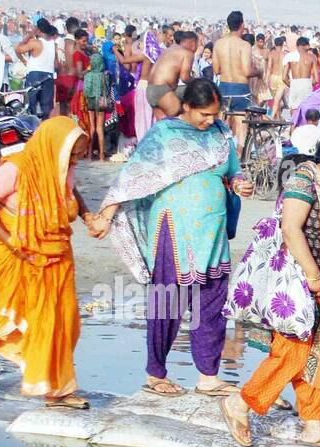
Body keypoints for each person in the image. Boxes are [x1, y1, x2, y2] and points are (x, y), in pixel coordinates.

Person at [95, 80, 253, 398]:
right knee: (168, 302)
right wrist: (107, 216)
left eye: (214, 114)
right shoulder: (164, 135)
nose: (209, 120)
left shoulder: (221, 133)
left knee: (212, 301)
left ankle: (208, 376)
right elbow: (133, 176)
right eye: (204, 114)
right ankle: (156, 374)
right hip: (175, 230)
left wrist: (239, 184)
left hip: (213, 230)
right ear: (188, 107)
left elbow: (233, 171)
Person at [221, 130, 320, 447]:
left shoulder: (318, 183)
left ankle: (313, 425)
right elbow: (290, 227)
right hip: (298, 284)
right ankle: (239, 404)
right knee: (292, 354)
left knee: (313, 353)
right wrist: (313, 275)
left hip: (317, 283)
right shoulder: (303, 180)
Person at [0, 117, 99, 408]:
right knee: (16, 313)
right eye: (73, 154)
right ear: (53, 147)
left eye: (79, 155)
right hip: (18, 253)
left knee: (63, 319)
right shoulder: (17, 168)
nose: (76, 160)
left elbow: (70, 191)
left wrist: (88, 215)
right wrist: (12, 241)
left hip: (56, 253)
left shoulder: (63, 167)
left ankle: (57, 389)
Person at [211, 11, 260, 146]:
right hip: (240, 88)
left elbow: (216, 70)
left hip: (224, 87)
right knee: (240, 122)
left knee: (222, 120)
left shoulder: (218, 44)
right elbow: (246, 71)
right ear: (242, 25)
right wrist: (259, 72)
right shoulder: (244, 45)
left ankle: (222, 150)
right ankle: (239, 154)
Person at [146, 30, 197, 121]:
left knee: (162, 124)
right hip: (163, 90)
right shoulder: (187, 53)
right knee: (179, 119)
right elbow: (185, 78)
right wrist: (196, 80)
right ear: (192, 43)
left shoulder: (169, 49)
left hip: (150, 89)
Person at [16, 18, 57, 120]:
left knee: (31, 106)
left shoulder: (35, 43)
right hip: (49, 76)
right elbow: (56, 64)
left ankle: (32, 130)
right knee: (47, 107)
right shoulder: (53, 45)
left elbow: (18, 49)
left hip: (35, 75)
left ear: (38, 30)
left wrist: (29, 36)